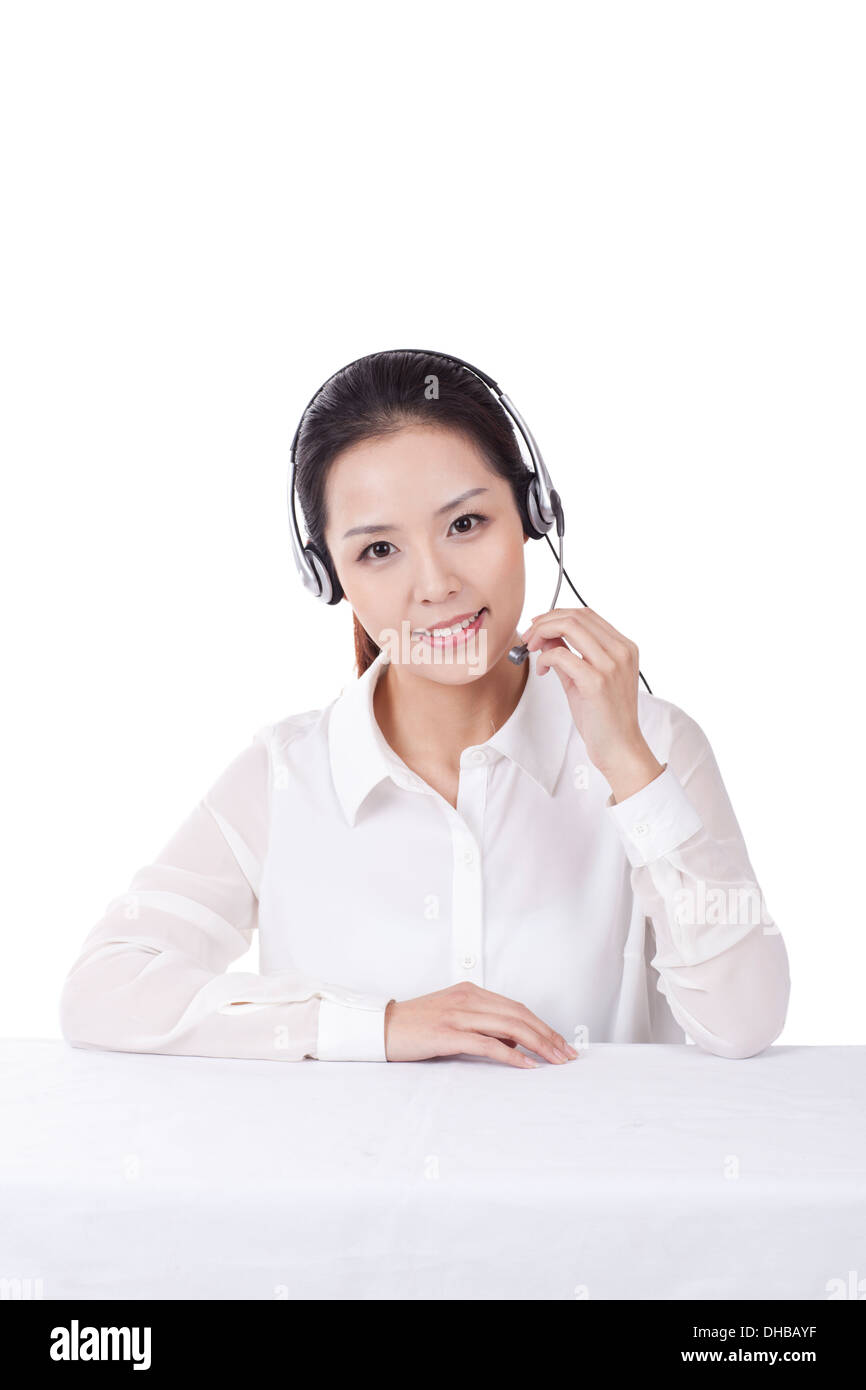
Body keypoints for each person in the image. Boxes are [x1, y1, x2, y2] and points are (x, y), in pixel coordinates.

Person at [59, 349, 790, 1068]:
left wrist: (630, 768)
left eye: (466, 525)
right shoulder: (285, 774)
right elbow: (103, 990)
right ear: (329, 576)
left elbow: (744, 1021)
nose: (435, 584)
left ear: (534, 515)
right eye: (379, 549)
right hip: (357, 1187)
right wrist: (376, 1028)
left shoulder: (653, 744)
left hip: (582, 1182)